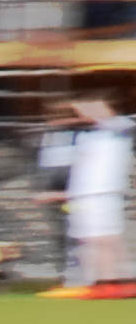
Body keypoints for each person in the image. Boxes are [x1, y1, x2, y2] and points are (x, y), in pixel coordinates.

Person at [53, 87, 132, 296]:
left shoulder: (120, 129)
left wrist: (96, 110)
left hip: (104, 193)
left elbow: (118, 126)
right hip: (83, 195)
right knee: (88, 239)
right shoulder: (86, 136)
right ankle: (96, 281)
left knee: (106, 238)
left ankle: (113, 280)